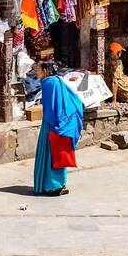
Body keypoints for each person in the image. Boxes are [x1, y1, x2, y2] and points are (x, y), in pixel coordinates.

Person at [32, 61, 84, 197]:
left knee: (52, 156)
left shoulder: (48, 83)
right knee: (59, 155)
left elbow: (52, 107)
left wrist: (56, 124)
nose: (36, 72)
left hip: (52, 123)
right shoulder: (57, 80)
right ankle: (58, 184)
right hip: (60, 122)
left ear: (45, 70)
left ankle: (51, 186)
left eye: (37, 69)